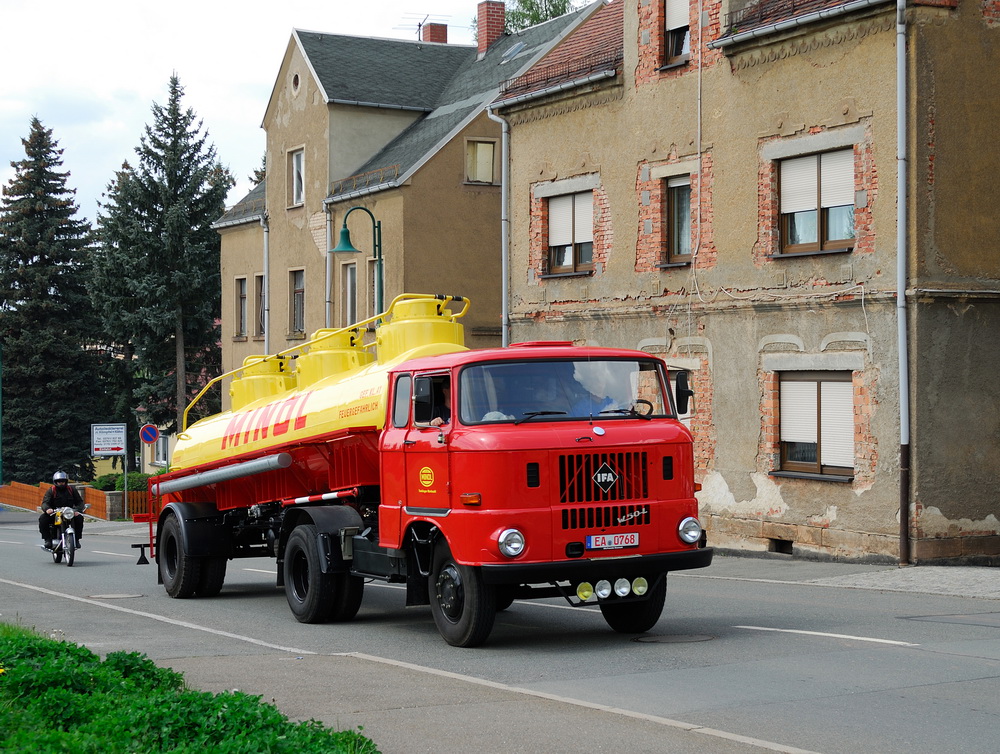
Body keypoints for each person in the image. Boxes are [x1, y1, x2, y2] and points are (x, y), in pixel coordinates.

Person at [38, 471, 86, 550]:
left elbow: (80, 502)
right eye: (59, 482)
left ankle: (76, 539)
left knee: (79, 518)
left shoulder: (71, 490)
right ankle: (47, 540)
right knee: (43, 519)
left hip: (68, 513)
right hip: (55, 513)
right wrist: (47, 509)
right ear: (55, 482)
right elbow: (45, 502)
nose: (61, 483)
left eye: (63, 481)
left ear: (66, 481)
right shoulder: (51, 490)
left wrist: (77, 510)